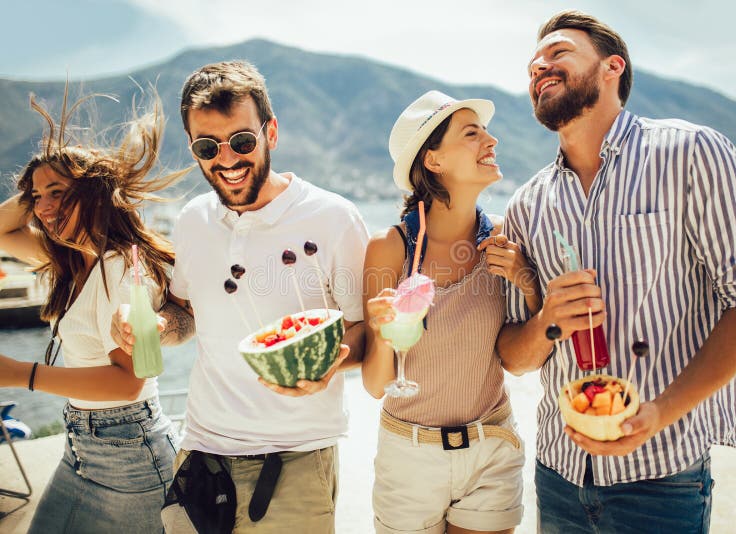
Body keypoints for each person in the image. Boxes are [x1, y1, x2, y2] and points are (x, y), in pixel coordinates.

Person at [497, 10, 736, 533]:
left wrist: (660, 412)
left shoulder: (691, 152)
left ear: (613, 67)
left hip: (662, 476)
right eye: (533, 63)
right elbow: (514, 357)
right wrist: (547, 321)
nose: (539, 66)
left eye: (558, 52)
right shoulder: (527, 204)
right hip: (558, 473)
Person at [113, 60, 369, 533]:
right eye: (207, 146)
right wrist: (156, 326)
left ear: (271, 131)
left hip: (293, 461)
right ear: (193, 149)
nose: (226, 159)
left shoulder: (333, 218)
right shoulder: (193, 220)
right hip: (201, 453)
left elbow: (364, 330)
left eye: (242, 141)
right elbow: (185, 313)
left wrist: (333, 362)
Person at [0, 88, 186, 533]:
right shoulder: (67, 259)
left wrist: (18, 374)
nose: (42, 209)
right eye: (36, 197)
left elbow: (127, 383)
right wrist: (42, 184)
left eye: (58, 194)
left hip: (132, 456)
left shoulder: (123, 269)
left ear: (93, 192)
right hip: (82, 448)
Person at [362, 90, 540, 534]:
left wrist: (529, 282)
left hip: (490, 448)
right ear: (434, 161)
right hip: (409, 457)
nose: (491, 141)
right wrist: (384, 333)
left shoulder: (503, 241)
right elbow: (375, 384)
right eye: (472, 133)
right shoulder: (390, 250)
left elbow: (524, 355)